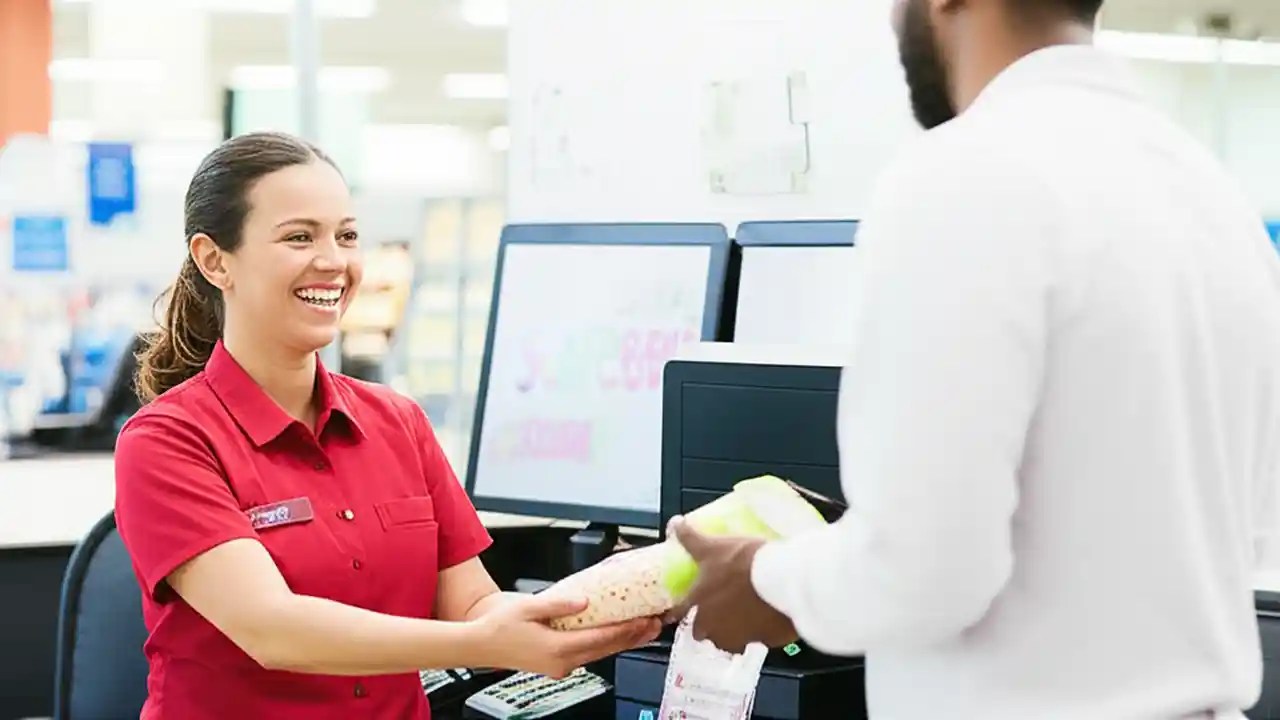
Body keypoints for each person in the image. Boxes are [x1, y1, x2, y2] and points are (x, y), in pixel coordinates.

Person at [669, 0, 1280, 718]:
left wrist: (764, 579)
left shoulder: (962, 175)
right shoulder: (1212, 194)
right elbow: (1247, 537)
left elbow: (923, 574)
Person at [114, 131, 660, 719]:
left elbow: (471, 603)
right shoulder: (167, 442)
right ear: (214, 259)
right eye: (299, 237)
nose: (334, 261)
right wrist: (485, 644)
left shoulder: (397, 422)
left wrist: (615, 599)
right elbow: (273, 630)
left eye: (346, 236)